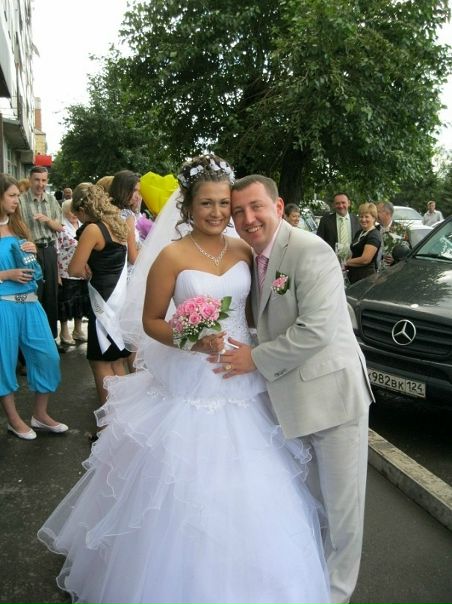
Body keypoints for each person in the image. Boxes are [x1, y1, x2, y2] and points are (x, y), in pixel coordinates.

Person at [38, 155, 331, 604]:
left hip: (240, 378)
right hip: (188, 380)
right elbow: (152, 320)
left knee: (251, 487)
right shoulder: (171, 255)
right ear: (188, 206)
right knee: (179, 488)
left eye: (223, 203)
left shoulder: (244, 250)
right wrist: (189, 339)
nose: (216, 212)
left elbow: (255, 314)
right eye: (206, 203)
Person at [217, 174, 373, 604]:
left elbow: (316, 329)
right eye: (238, 211)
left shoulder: (309, 249)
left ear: (279, 207)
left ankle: (336, 594)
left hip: (333, 397)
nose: (248, 218)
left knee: (342, 512)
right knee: (309, 505)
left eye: (256, 207)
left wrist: (254, 358)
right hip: (291, 401)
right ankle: (310, 583)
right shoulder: (254, 256)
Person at [0, 173, 67, 440]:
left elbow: (35, 272)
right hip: (4, 305)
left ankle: (40, 414)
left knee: (48, 356)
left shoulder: (19, 227)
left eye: (17, 195)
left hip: (30, 302)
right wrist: (6, 275)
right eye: (12, 195)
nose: (17, 200)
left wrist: (31, 255)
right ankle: (13, 419)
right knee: (4, 363)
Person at [68, 183, 131, 410]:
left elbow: (74, 269)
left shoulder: (93, 230)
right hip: (119, 298)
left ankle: (108, 422)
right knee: (117, 360)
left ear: (82, 209)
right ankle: (125, 416)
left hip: (101, 301)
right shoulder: (119, 224)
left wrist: (85, 267)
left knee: (100, 362)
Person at [19, 166, 63, 347]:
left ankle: (50, 339)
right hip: (29, 251)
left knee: (51, 295)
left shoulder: (51, 200)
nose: (40, 184)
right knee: (33, 293)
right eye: (37, 180)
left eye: (44, 180)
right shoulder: (20, 201)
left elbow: (60, 227)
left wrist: (48, 220)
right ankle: (31, 342)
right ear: (30, 180)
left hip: (49, 250)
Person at [56, 200, 89, 346]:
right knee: (66, 301)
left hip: (83, 270)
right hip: (65, 270)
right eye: (70, 211)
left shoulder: (83, 224)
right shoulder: (61, 226)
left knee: (81, 300)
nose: (73, 213)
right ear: (64, 212)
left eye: (75, 210)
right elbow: (56, 250)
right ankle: (64, 332)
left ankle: (78, 330)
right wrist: (56, 274)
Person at [109, 169, 141, 270]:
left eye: (138, 191)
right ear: (123, 189)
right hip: (126, 272)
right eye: (134, 190)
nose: (137, 196)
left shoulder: (107, 211)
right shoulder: (127, 215)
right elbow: (133, 258)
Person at [345, 202, 382, 284]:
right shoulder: (359, 232)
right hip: (354, 277)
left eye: (366, 217)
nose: (363, 219)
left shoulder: (374, 235)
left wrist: (345, 262)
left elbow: (365, 259)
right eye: (361, 216)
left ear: (374, 218)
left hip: (366, 278)